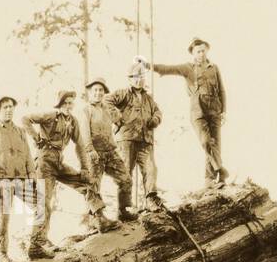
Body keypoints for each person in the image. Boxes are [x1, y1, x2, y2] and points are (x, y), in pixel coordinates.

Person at [23, 90, 115, 258]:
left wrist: (85, 169)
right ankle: (36, 245)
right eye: (65, 102)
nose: (68, 106)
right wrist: (36, 137)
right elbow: (25, 119)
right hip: (44, 163)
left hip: (58, 163)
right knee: (44, 202)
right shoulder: (50, 115)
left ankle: (99, 218)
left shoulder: (72, 121)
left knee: (86, 182)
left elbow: (80, 146)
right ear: (59, 104)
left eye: (71, 103)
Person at [153, 37, 227, 186]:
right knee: (206, 142)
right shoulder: (188, 68)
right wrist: (149, 66)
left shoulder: (214, 68)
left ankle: (210, 180)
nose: (201, 54)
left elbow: (222, 90)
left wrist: (224, 110)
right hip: (198, 112)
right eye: (198, 51)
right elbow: (168, 69)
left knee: (215, 145)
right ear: (193, 53)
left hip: (214, 111)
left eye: (203, 50)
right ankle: (220, 169)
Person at [0, 95, 35, 262]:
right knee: (2, 219)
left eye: (11, 106)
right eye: (5, 107)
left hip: (22, 179)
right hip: (2, 181)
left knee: (42, 207)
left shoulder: (20, 131)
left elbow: (27, 154)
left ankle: (38, 245)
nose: (8, 109)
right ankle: (3, 257)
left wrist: (32, 174)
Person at [105, 61, 163, 209]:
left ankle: (151, 199)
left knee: (150, 168)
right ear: (130, 79)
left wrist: (155, 119)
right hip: (126, 139)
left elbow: (158, 112)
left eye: (142, 76)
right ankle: (124, 208)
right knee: (125, 171)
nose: (139, 79)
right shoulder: (123, 93)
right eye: (136, 77)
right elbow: (106, 101)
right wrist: (117, 118)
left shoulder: (148, 98)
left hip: (145, 139)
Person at [77, 78, 135, 222]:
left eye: (101, 90)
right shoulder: (86, 110)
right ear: (90, 92)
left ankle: (123, 211)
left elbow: (119, 119)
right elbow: (84, 133)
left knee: (125, 179)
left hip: (110, 152)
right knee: (93, 186)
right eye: (95, 90)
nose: (98, 93)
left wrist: (119, 119)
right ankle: (98, 219)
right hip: (94, 153)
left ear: (104, 92)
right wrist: (90, 150)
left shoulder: (107, 109)